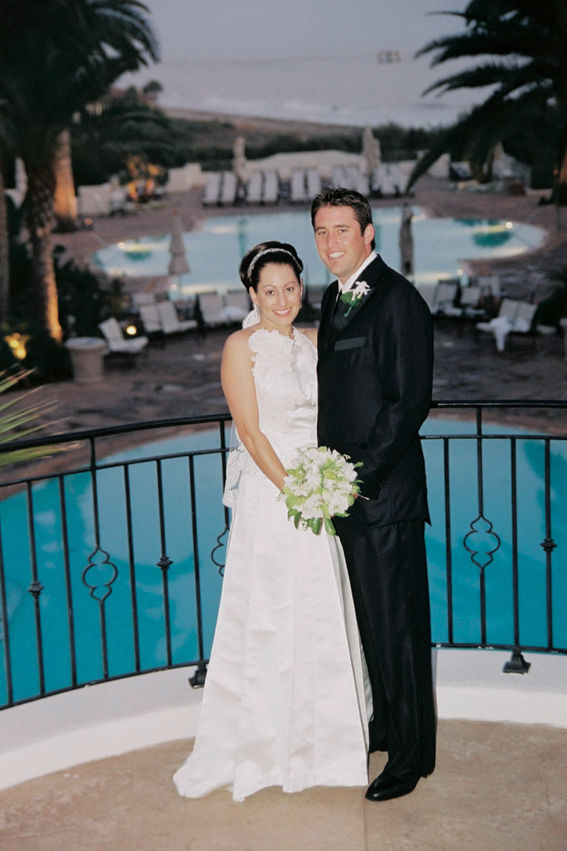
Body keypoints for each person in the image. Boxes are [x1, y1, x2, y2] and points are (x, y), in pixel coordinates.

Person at [173, 241, 369, 803]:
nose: (281, 299)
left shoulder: (313, 343)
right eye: (269, 291)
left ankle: (328, 743)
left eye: (289, 288)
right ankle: (264, 746)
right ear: (252, 295)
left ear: (301, 290)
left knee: (321, 607)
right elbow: (251, 432)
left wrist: (327, 483)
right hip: (276, 491)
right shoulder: (242, 346)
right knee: (270, 611)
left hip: (317, 490)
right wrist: (298, 493)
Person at [312, 187, 436, 802]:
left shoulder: (398, 300)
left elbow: (406, 402)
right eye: (321, 232)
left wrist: (355, 479)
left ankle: (411, 759)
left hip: (383, 498)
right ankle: (387, 727)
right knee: (372, 625)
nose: (331, 243)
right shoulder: (333, 299)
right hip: (346, 501)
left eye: (341, 230)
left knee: (399, 629)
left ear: (368, 235)